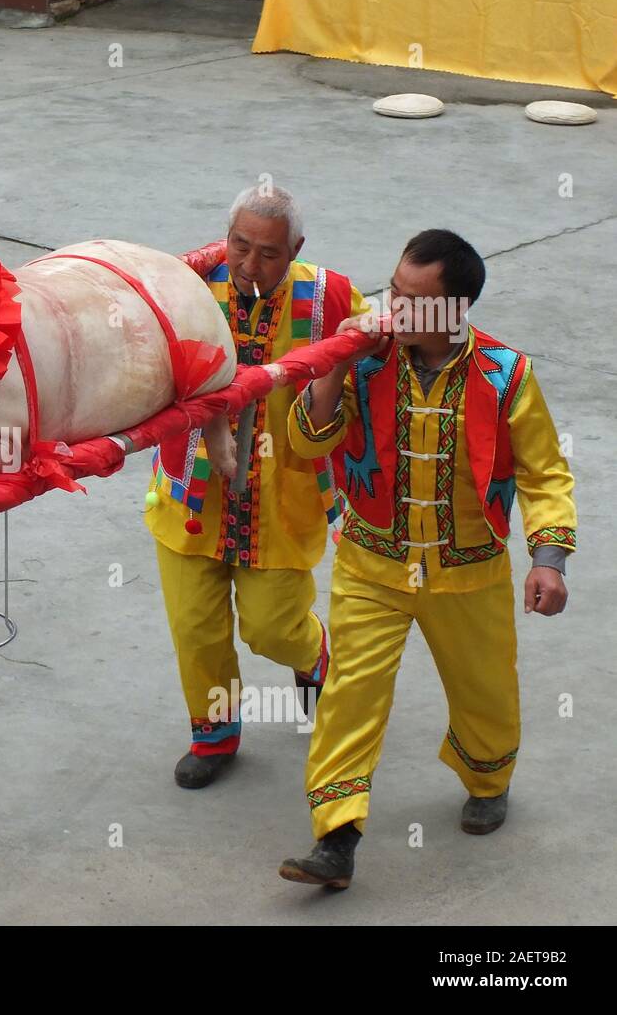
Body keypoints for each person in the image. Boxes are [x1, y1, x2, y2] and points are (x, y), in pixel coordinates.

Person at [280, 230, 577, 888]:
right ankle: (337, 836)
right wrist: (331, 361)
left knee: (485, 692)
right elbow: (303, 444)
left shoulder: (506, 374)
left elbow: (545, 472)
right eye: (394, 290)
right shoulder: (363, 360)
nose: (394, 308)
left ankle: (487, 776)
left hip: (468, 570)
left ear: (456, 309)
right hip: (371, 564)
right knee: (349, 695)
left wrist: (549, 558)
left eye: (415, 301)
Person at [145, 185, 371, 789]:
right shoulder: (186, 286)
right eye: (239, 246)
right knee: (196, 627)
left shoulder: (331, 296)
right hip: (193, 490)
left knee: (273, 627)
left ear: (295, 248)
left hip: (283, 492)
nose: (248, 265)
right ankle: (214, 735)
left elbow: (375, 352)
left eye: (267, 254)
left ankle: (315, 656)